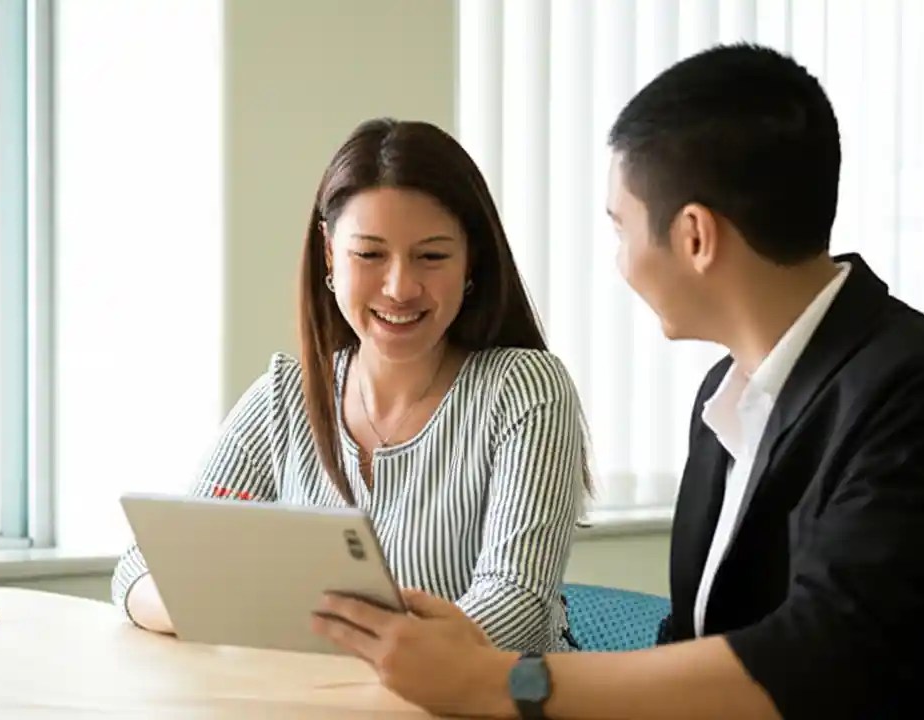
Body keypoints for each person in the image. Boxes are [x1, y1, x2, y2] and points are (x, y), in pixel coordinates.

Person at [311, 43, 924, 719]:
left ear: (694, 237)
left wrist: (502, 681)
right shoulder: (728, 399)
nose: (622, 260)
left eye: (621, 227)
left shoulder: (921, 393)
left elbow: (820, 658)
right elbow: (695, 646)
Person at [111, 117, 594, 655]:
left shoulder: (526, 390)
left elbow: (516, 607)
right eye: (369, 254)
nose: (400, 287)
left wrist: (289, 624)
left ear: (470, 261)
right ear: (328, 254)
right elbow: (145, 566)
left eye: (432, 256)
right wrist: (214, 604)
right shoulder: (286, 395)